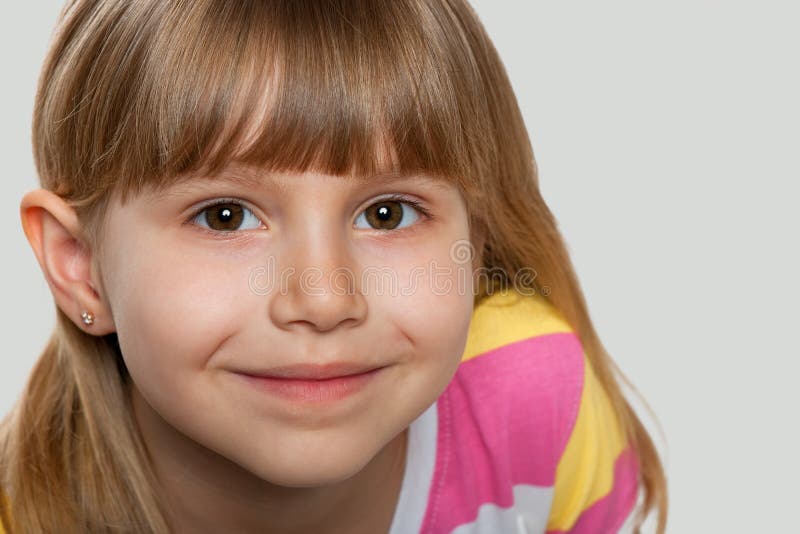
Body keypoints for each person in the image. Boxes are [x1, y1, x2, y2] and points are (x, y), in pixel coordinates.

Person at [0, 1, 668, 533]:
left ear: (475, 240)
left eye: (387, 214)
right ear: (80, 266)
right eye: (224, 216)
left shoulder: (538, 400)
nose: (323, 300)